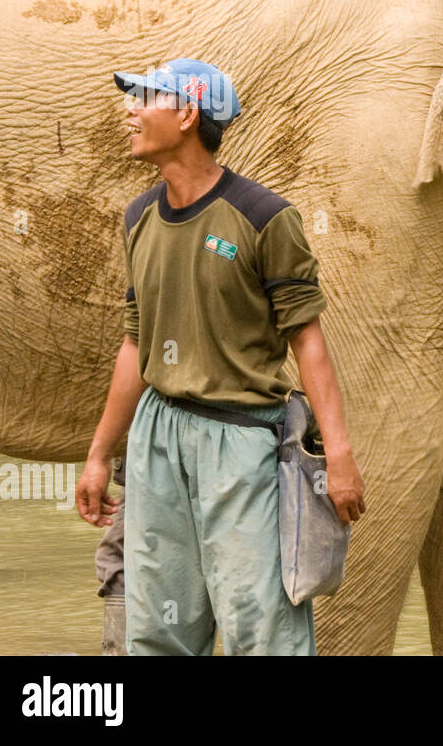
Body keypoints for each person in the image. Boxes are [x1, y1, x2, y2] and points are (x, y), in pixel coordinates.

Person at [76, 58, 366, 656]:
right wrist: (100, 454)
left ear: (187, 113)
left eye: (146, 99)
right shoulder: (138, 219)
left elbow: (307, 340)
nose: (130, 110)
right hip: (157, 438)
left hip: (241, 442)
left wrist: (337, 457)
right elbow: (136, 343)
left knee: (261, 628)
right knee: (157, 628)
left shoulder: (265, 218)